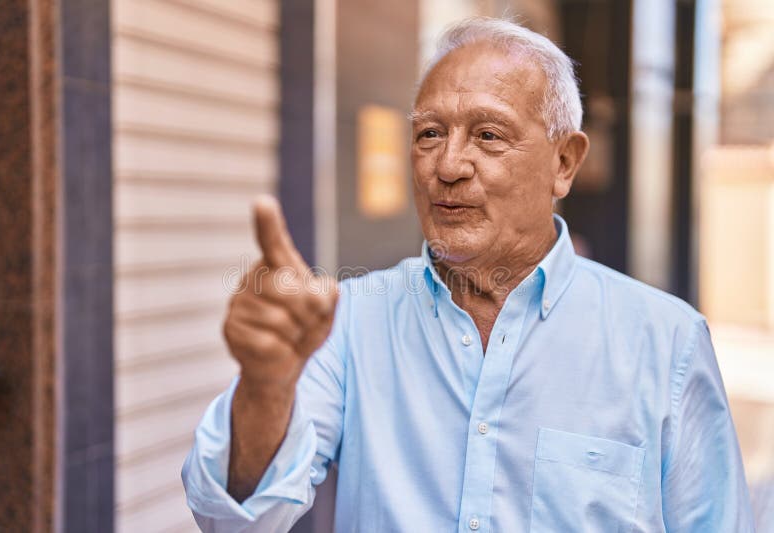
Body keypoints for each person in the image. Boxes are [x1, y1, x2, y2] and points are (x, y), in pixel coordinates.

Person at [182, 17, 755, 532]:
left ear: (564, 162)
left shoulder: (666, 342)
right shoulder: (350, 322)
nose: (449, 166)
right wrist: (266, 385)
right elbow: (237, 522)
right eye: (430, 134)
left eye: (488, 135)